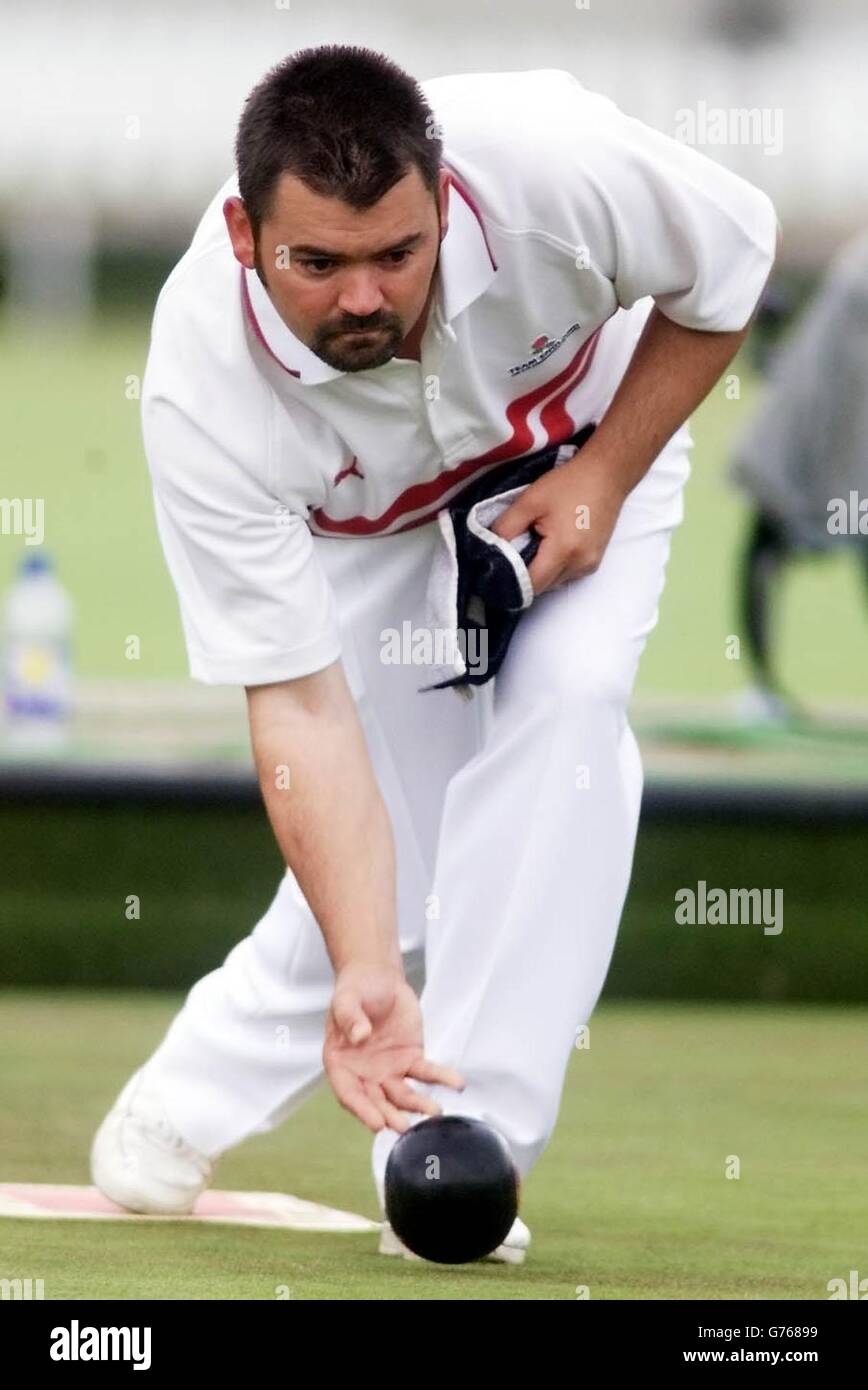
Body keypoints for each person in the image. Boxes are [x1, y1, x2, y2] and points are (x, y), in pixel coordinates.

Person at [90, 45, 778, 1262]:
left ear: (444, 195)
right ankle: (197, 1086)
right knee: (384, 844)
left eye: (395, 256)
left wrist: (605, 476)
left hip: (583, 436)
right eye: (320, 263)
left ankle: (462, 1146)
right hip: (369, 527)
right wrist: (369, 965)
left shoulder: (555, 172)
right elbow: (301, 711)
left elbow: (730, 266)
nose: (364, 298)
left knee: (570, 710)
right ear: (246, 235)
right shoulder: (197, 385)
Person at [730, 231, 868, 720]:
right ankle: (765, 690)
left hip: (849, 458)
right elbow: (809, 365)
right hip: (804, 443)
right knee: (762, 549)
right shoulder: (855, 266)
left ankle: (765, 692)